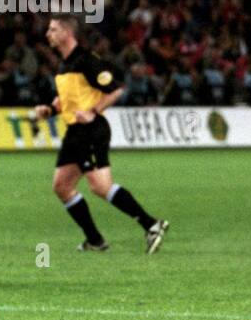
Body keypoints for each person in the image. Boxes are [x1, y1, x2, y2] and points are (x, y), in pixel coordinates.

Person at [36, 14, 169, 253]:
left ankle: (151, 224)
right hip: (74, 132)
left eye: (53, 29)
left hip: (91, 131)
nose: (48, 34)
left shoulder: (88, 61)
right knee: (62, 186)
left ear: (67, 33)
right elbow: (67, 101)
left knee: (100, 186)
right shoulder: (65, 65)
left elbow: (116, 89)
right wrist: (49, 110)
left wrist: (93, 111)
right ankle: (95, 240)